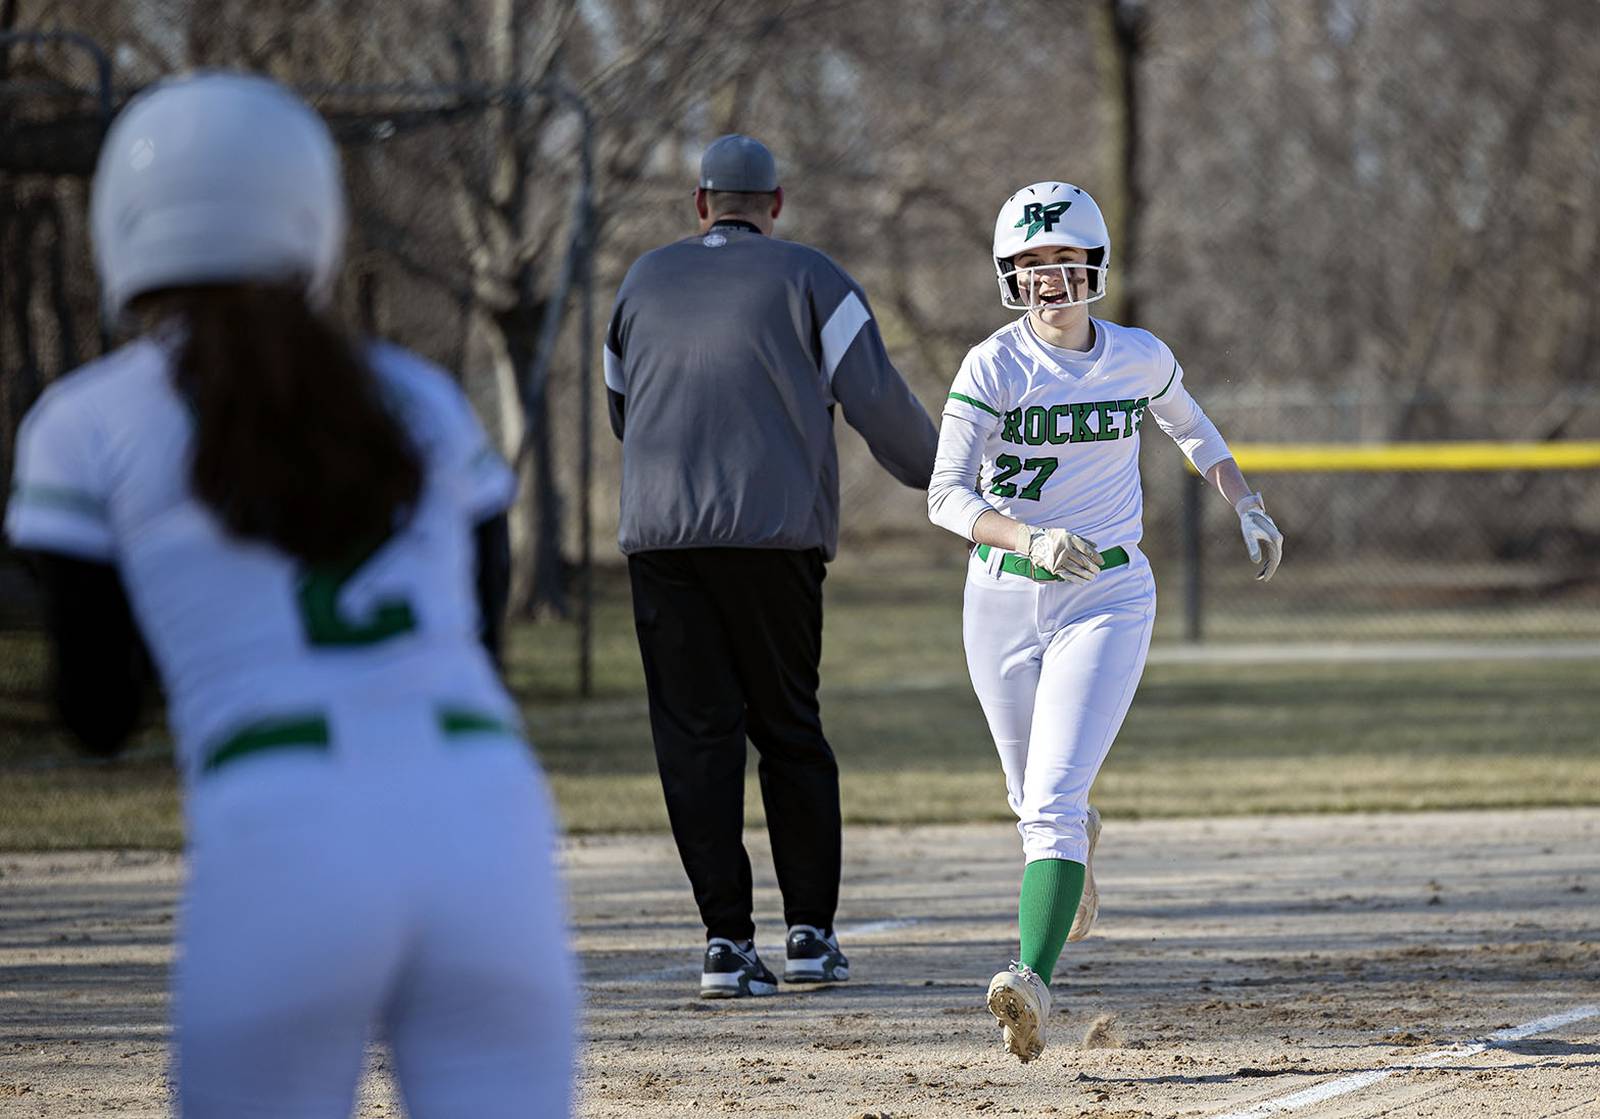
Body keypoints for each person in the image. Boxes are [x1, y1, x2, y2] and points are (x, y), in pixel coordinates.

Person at [4, 73, 574, 1116]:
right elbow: (478, 642)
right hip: (485, 810)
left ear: (122, 224)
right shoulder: (420, 397)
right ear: (311, 217)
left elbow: (97, 712)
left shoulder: (85, 421)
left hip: (282, 818)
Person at [927, 181, 1283, 1062]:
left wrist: (1246, 501)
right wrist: (1028, 537)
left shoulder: (1136, 355)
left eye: (1063, 259)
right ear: (1010, 274)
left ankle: (1030, 981)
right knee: (1032, 800)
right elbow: (945, 495)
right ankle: (1076, 845)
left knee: (1049, 800)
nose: (1049, 277)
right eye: (1030, 263)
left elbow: (1193, 429)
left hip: (1107, 592)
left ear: (1094, 265)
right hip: (1002, 592)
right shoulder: (992, 365)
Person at [604, 134, 939, 998]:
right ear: (776, 204)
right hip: (773, 540)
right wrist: (949, 478)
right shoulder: (812, 276)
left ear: (700, 203)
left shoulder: (641, 279)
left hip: (663, 542)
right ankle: (810, 935)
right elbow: (878, 402)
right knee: (788, 727)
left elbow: (622, 407)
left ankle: (725, 940)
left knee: (696, 739)